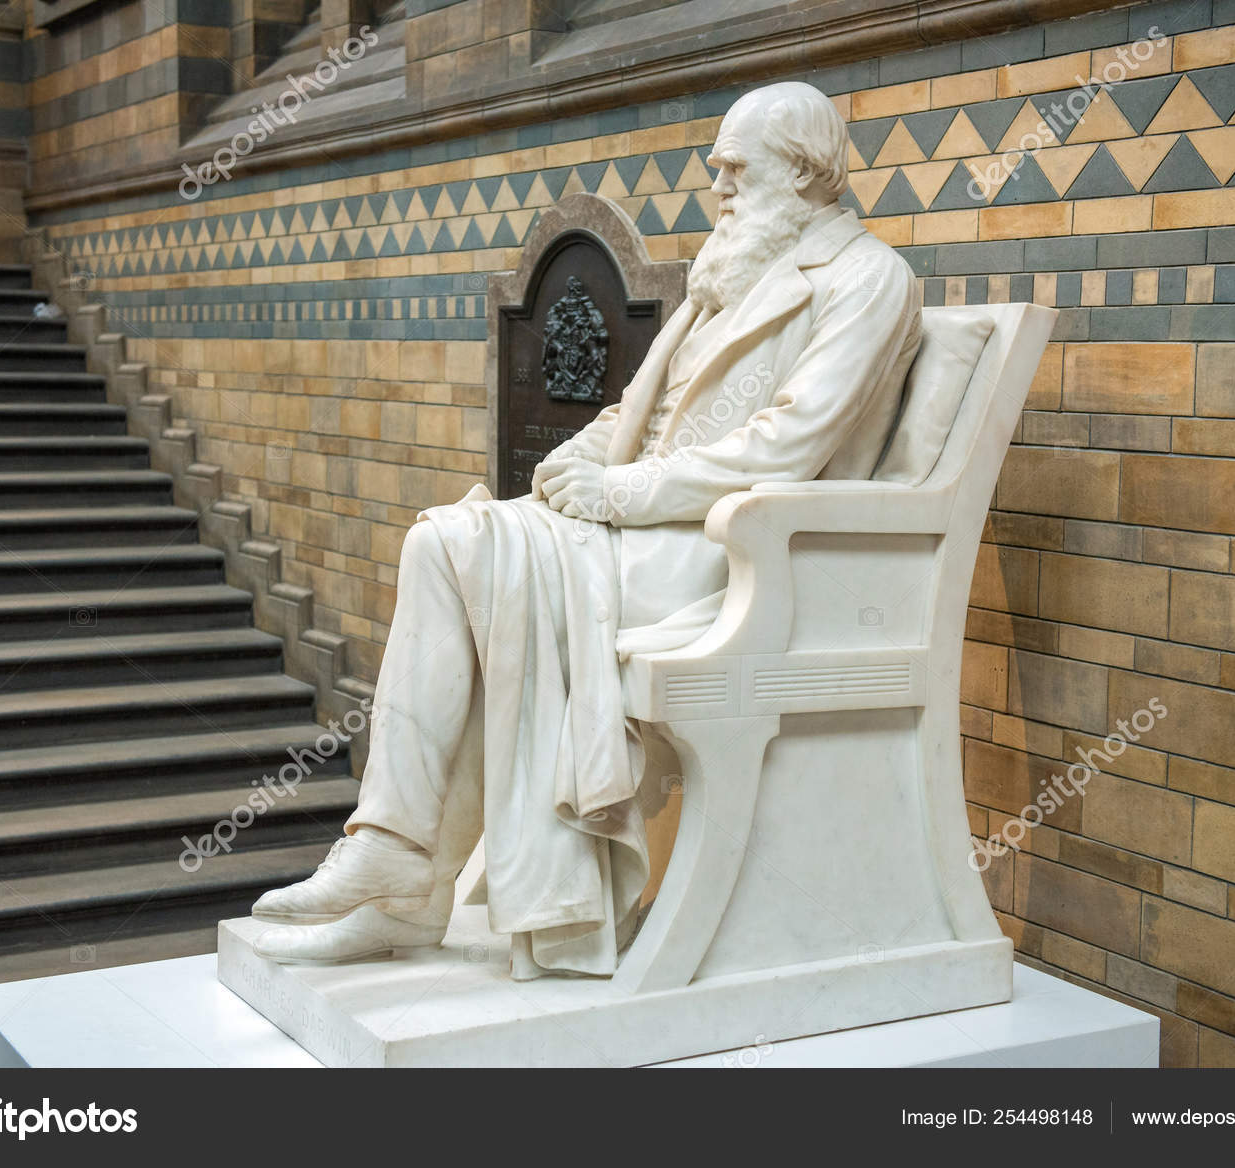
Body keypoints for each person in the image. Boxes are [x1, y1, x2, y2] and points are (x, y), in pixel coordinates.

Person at [250, 81, 922, 977]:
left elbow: (788, 444)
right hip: (655, 528)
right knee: (459, 550)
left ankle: (397, 859)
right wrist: (580, 460)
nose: (714, 183)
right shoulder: (732, 271)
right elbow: (648, 411)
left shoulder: (867, 280)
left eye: (734, 166)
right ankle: (401, 876)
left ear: (801, 173)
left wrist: (622, 492)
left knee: (452, 548)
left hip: (732, 553)